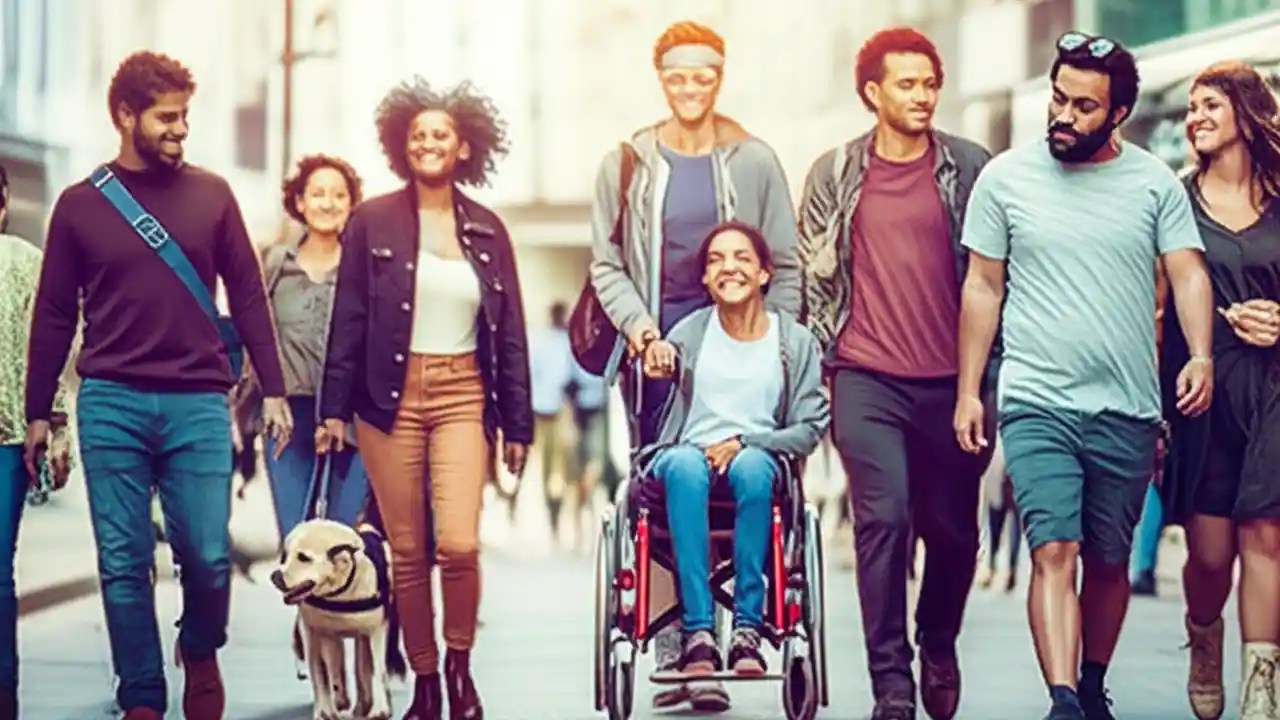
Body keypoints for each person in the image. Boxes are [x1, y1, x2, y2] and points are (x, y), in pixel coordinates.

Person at [953, 32, 1214, 720]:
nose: (1063, 115)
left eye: (1084, 106)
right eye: (1058, 99)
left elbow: (1187, 271)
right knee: (1054, 546)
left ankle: (1092, 685)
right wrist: (969, 391)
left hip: (1126, 406)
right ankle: (1063, 699)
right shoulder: (1006, 178)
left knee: (1107, 559)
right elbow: (983, 286)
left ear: (1119, 113)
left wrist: (1200, 353)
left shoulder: (1155, 185)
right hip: (1036, 399)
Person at [24, 51, 292, 720]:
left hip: (198, 402)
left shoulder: (213, 195)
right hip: (110, 401)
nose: (180, 129)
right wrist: (39, 412)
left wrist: (277, 389)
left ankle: (200, 646)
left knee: (205, 554)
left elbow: (250, 297)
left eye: (184, 117)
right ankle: (141, 694)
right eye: (166, 117)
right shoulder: (80, 206)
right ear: (125, 116)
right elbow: (55, 313)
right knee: (123, 561)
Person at [587, 20, 802, 712]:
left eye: (702, 73)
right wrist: (643, 332)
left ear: (720, 75)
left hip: (744, 340)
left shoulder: (755, 160)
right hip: (656, 355)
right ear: (661, 79)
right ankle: (683, 638)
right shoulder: (629, 161)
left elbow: (788, 266)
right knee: (665, 481)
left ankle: (744, 621)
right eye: (676, 74)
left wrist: (778, 345)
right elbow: (605, 263)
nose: (689, 86)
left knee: (744, 473)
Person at [318, 77, 533, 720]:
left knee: (459, 545)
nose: (429, 142)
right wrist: (333, 409)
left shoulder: (489, 229)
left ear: (464, 147)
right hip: (387, 400)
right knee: (407, 552)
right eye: (418, 135)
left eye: (441, 134)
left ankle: (462, 671)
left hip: (464, 392)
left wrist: (517, 424)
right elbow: (348, 317)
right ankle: (427, 683)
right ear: (400, 145)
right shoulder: (371, 220)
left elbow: (513, 331)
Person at [796, 27, 995, 720]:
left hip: (956, 383)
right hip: (864, 376)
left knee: (952, 532)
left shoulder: (972, 168)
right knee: (881, 520)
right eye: (906, 84)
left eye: (929, 83)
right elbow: (812, 279)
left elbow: (1000, 275)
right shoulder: (834, 173)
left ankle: (937, 639)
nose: (922, 95)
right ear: (872, 93)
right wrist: (817, 365)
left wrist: (985, 378)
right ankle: (892, 683)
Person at [644, 220, 828, 676]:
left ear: (765, 273)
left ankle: (748, 627)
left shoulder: (795, 342)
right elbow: (656, 387)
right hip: (687, 458)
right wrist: (655, 355)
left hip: (757, 461)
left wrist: (746, 441)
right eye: (715, 260)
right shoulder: (688, 333)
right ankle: (699, 632)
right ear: (705, 279)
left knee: (752, 468)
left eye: (742, 257)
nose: (729, 268)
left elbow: (809, 427)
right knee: (686, 465)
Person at [1160, 60, 1280, 720]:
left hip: (1275, 388)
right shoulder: (1175, 199)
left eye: (1210, 104)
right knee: (1210, 555)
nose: (1196, 117)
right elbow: (1153, 306)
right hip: (1202, 393)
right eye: (1190, 108)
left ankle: (1262, 692)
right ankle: (1205, 637)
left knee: (1267, 533)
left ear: (1245, 110)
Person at [246, 154, 369, 539]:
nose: (328, 203)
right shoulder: (274, 264)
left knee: (340, 543)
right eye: (317, 194)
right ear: (300, 202)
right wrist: (265, 397)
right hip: (287, 417)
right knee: (298, 540)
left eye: (338, 195)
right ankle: (306, 604)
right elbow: (254, 336)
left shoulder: (365, 268)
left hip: (351, 422)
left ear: (351, 204)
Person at [0, 164, 76, 720]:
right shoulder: (29, 260)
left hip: (6, 441)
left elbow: (49, 352)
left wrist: (57, 424)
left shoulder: (26, 263)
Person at [529, 302, 574, 540]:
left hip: (550, 411)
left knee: (553, 469)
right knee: (554, 470)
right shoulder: (561, 344)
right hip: (552, 412)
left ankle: (555, 518)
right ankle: (553, 519)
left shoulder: (546, 342)